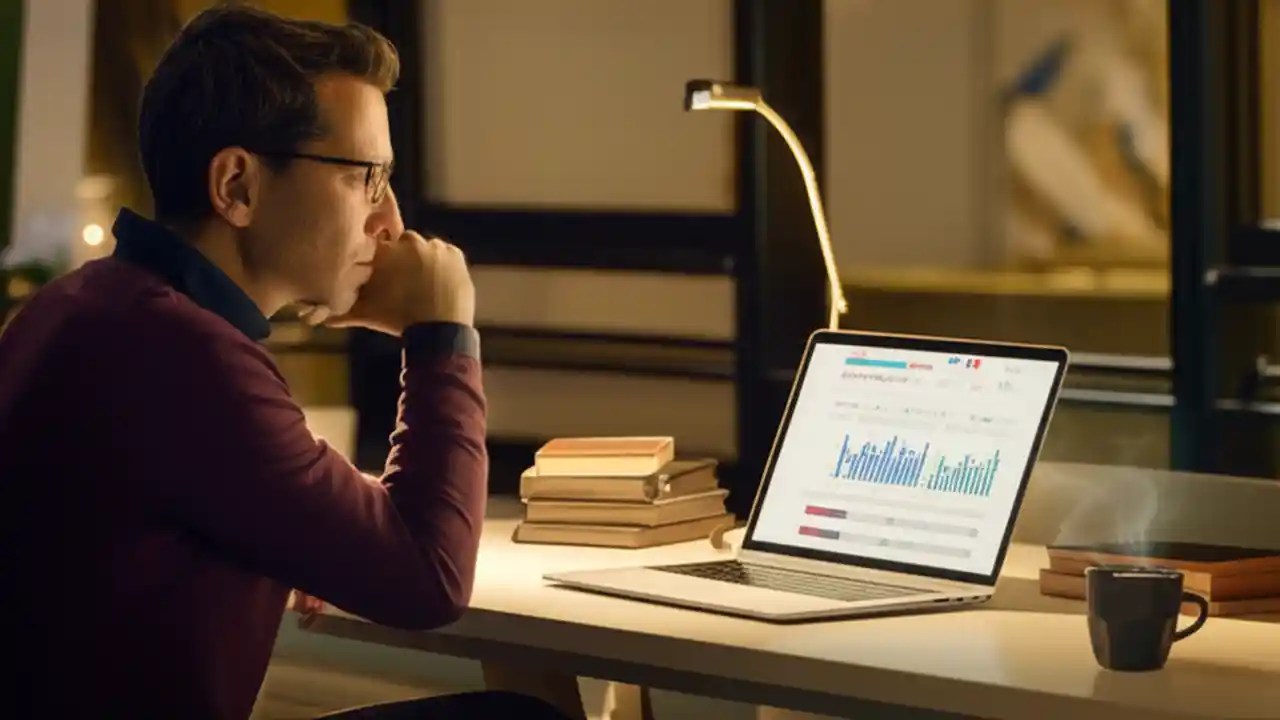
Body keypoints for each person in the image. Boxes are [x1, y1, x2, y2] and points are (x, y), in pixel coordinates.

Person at [0, 5, 568, 719]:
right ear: (237, 186)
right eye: (366, 177)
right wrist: (441, 330)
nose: (388, 221)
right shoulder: (186, 357)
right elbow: (430, 579)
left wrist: (302, 516)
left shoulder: (81, 305)